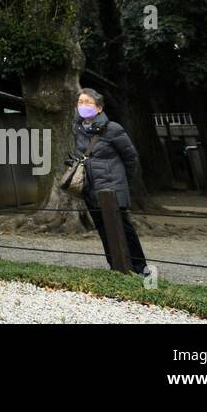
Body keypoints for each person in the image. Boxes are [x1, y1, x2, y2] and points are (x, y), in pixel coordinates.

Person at [74, 87, 150, 275]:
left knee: (123, 227)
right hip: (90, 188)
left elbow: (130, 158)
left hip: (112, 187)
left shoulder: (113, 129)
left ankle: (140, 267)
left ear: (99, 108)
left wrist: (122, 182)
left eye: (88, 102)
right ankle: (116, 265)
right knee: (102, 228)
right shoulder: (78, 130)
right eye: (80, 102)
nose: (83, 106)